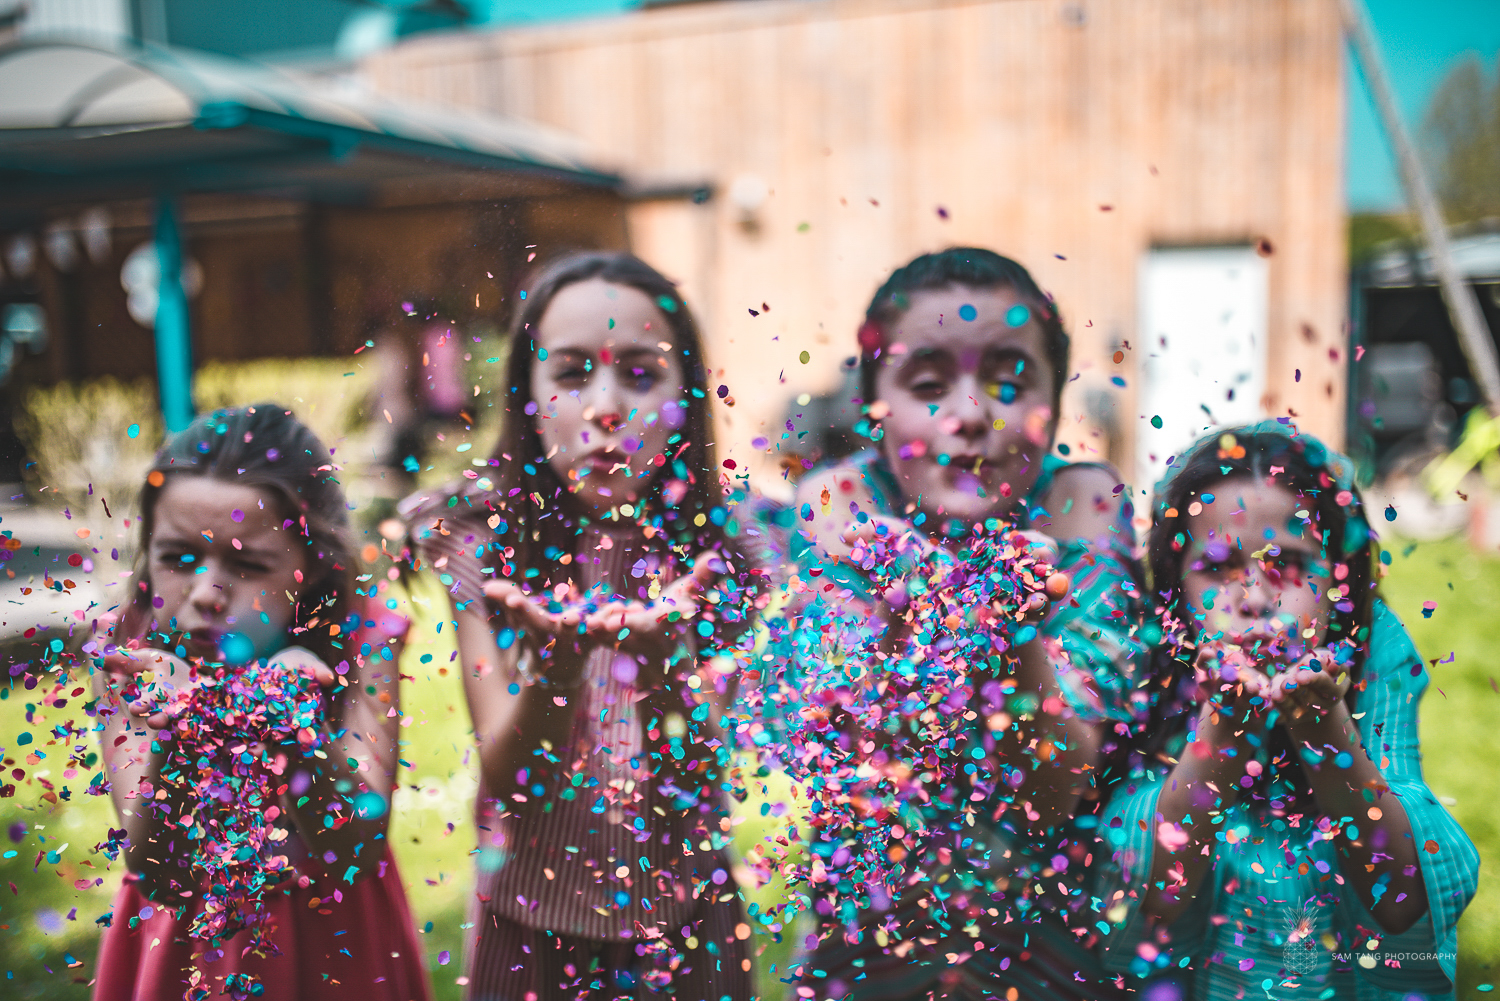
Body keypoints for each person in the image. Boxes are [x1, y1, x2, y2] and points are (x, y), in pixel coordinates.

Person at [766, 247, 1144, 1001]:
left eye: (1009, 379)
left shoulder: (1082, 504)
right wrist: (924, 617)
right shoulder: (840, 502)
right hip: (872, 944)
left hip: (1051, 948)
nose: (970, 414)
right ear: (876, 403)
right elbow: (844, 752)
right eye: (929, 383)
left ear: (1055, 400)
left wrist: (1017, 637)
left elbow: (1055, 788)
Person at [404, 252, 761, 1001]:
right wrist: (558, 674)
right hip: (527, 927)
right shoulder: (483, 541)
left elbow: (692, 785)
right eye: (571, 373)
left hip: (686, 927)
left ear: (685, 396)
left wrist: (663, 675)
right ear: (527, 396)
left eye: (639, 374)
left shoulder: (724, 553)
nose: (605, 407)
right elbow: (513, 781)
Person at [1096, 422, 1479, 999]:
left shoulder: (1374, 656)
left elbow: (1404, 901)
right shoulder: (1155, 665)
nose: (1252, 598)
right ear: (1174, 592)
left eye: (1291, 565)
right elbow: (1148, 901)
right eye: (1219, 566)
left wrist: (1323, 729)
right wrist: (1223, 736)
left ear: (1340, 584)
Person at [91, 406, 429, 1001]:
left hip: (337, 949)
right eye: (178, 557)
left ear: (314, 571)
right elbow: (158, 873)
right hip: (189, 952)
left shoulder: (360, 642)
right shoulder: (130, 653)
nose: (205, 594)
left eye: (246, 564)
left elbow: (354, 848)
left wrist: (291, 730)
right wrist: (178, 731)